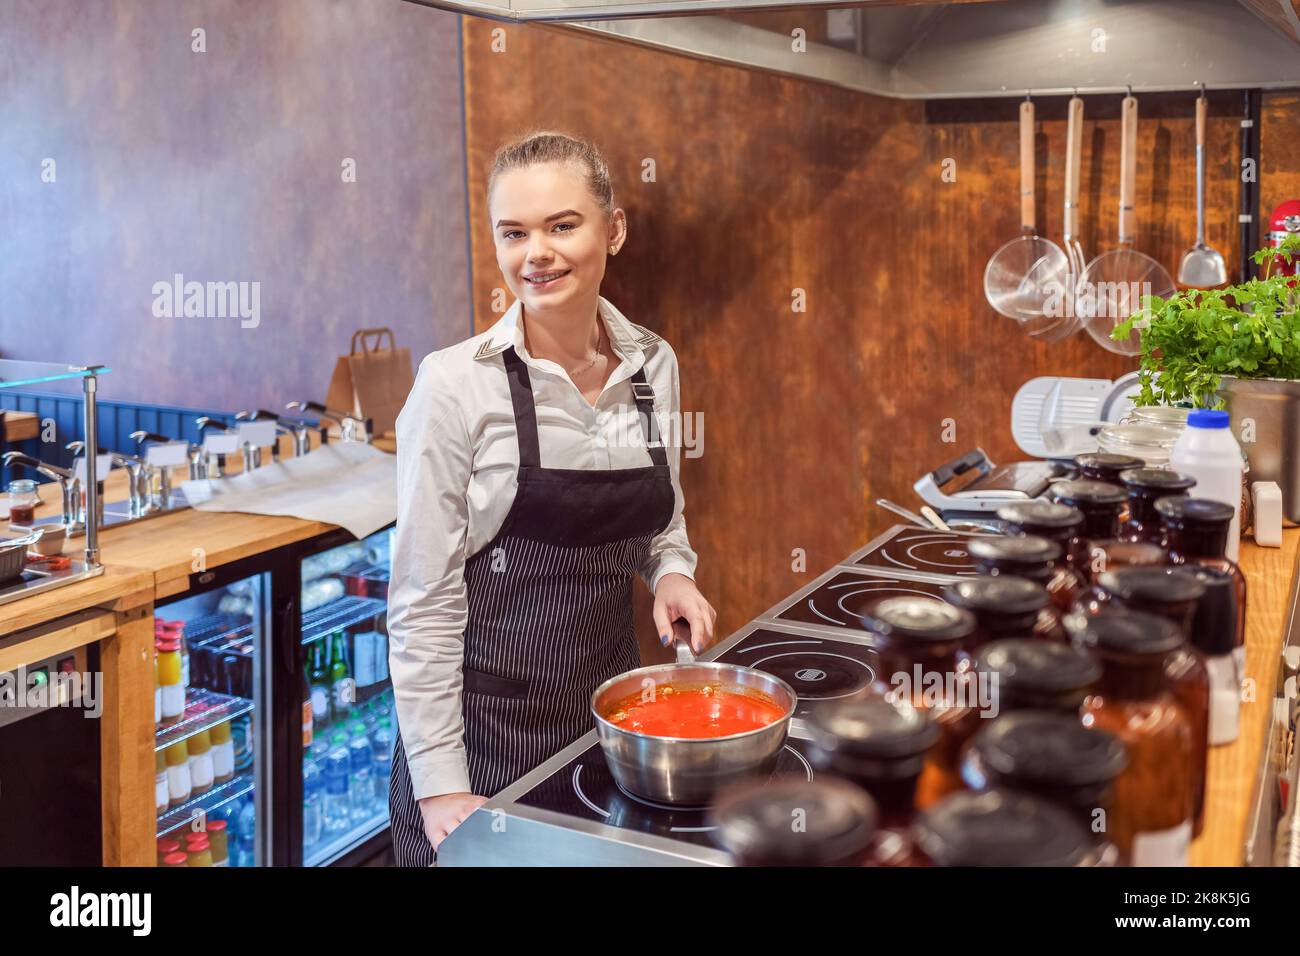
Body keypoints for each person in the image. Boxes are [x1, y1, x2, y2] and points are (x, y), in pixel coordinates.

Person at [386, 130, 716, 866]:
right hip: (481, 745)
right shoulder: (454, 386)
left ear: (614, 229)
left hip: (611, 721)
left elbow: (664, 513)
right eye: (515, 232)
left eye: (562, 225)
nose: (537, 252)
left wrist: (673, 573)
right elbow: (421, 599)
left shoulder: (652, 363)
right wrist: (439, 785)